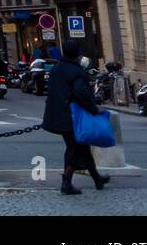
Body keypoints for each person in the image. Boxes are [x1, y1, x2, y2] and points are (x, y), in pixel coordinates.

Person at [43, 38, 109, 195]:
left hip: (58, 114)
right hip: (73, 117)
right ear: (78, 54)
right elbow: (81, 94)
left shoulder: (56, 69)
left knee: (82, 148)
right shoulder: (77, 71)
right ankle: (66, 183)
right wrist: (94, 109)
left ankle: (97, 179)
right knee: (74, 148)